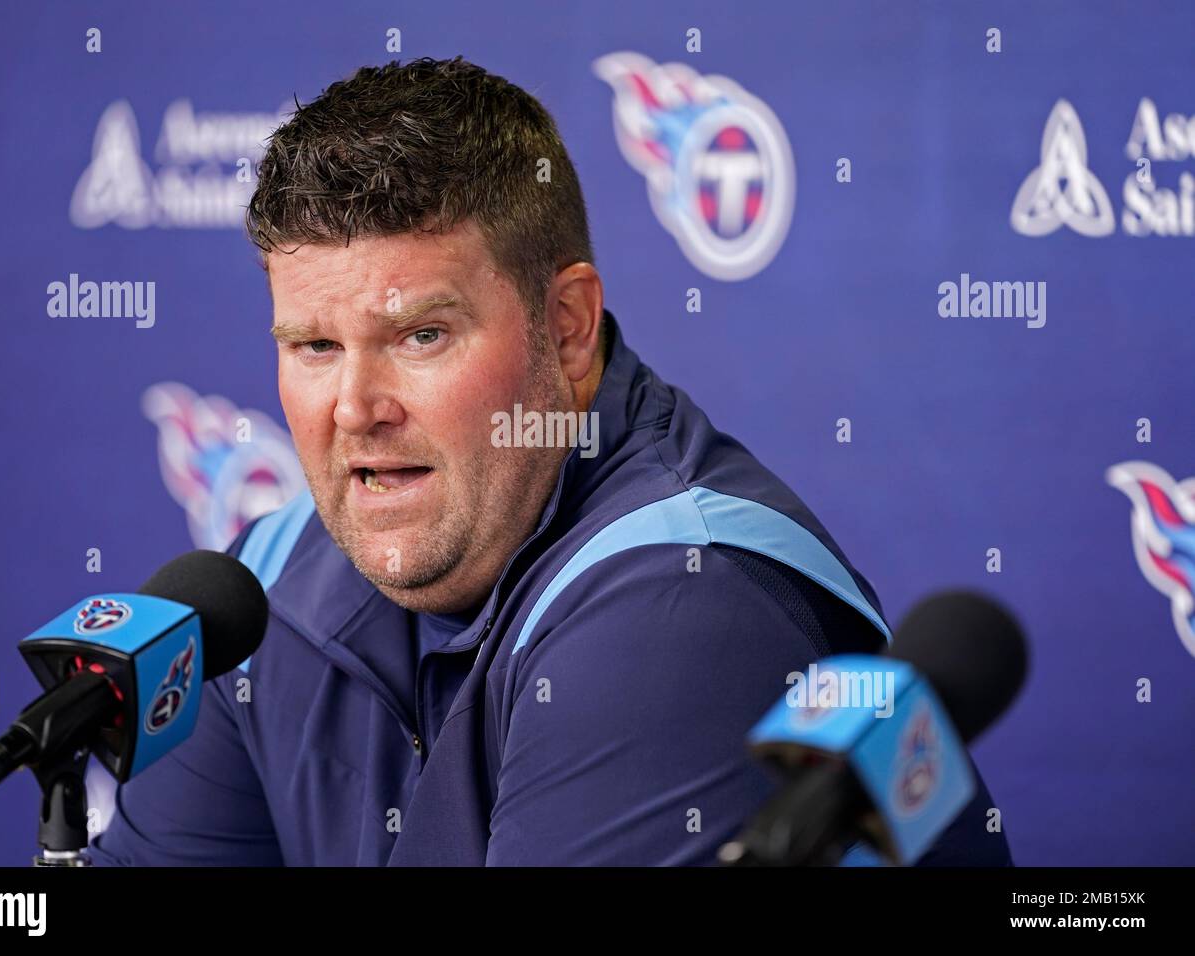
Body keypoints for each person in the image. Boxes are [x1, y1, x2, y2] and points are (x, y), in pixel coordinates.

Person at [89, 56, 1011, 866]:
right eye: (314, 347)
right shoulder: (257, 588)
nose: (357, 411)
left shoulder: (684, 600)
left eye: (419, 335)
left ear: (567, 327)